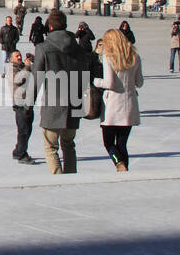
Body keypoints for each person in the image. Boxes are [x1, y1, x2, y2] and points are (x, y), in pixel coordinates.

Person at [32, 10, 89, 174]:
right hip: (74, 104)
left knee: (50, 147)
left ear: (49, 26)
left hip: (53, 106)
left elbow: (36, 79)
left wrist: (27, 104)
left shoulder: (43, 48)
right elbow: (85, 78)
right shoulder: (78, 49)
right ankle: (71, 179)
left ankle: (58, 179)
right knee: (69, 145)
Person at [95, 28, 144, 171]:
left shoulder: (109, 57)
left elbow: (109, 83)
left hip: (112, 105)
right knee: (122, 143)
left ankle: (118, 163)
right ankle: (124, 170)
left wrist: (96, 81)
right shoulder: (134, 56)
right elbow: (139, 82)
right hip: (129, 104)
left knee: (108, 143)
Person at [7, 50, 35, 165]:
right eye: (16, 56)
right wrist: (27, 67)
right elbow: (18, 80)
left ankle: (18, 151)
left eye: (20, 55)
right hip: (20, 103)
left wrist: (32, 62)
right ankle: (21, 154)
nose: (19, 57)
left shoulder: (21, 66)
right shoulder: (11, 68)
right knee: (23, 130)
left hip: (27, 102)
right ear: (11, 59)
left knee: (28, 129)